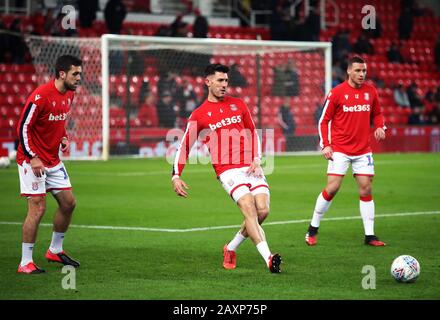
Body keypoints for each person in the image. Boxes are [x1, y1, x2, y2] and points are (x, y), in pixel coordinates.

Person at [171, 64, 281, 273]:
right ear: (208, 82)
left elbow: (253, 132)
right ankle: (269, 258)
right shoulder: (199, 114)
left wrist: (257, 158)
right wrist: (176, 175)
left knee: (263, 210)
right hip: (227, 170)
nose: (224, 85)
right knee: (248, 207)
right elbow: (185, 145)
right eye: (220, 81)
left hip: (250, 165)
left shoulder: (238, 105)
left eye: (226, 81)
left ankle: (231, 247)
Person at [305, 56, 387, 247]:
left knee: (366, 187)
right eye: (358, 70)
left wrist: (381, 126)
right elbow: (323, 120)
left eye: (364, 71)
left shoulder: (371, 91)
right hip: (340, 149)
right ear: (349, 71)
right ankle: (312, 228)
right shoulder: (336, 93)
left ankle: (370, 235)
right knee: (332, 188)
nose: (361, 74)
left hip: (363, 149)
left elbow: (378, 113)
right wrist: (326, 144)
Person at [16, 55, 82, 274]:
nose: (79, 77)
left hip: (53, 161)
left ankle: (55, 249)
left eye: (79, 73)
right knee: (38, 208)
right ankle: (25, 262)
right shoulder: (40, 96)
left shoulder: (70, 94)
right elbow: (23, 127)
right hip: (31, 160)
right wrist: (33, 156)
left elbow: (59, 119)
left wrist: (63, 136)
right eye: (75, 73)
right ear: (62, 74)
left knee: (69, 203)